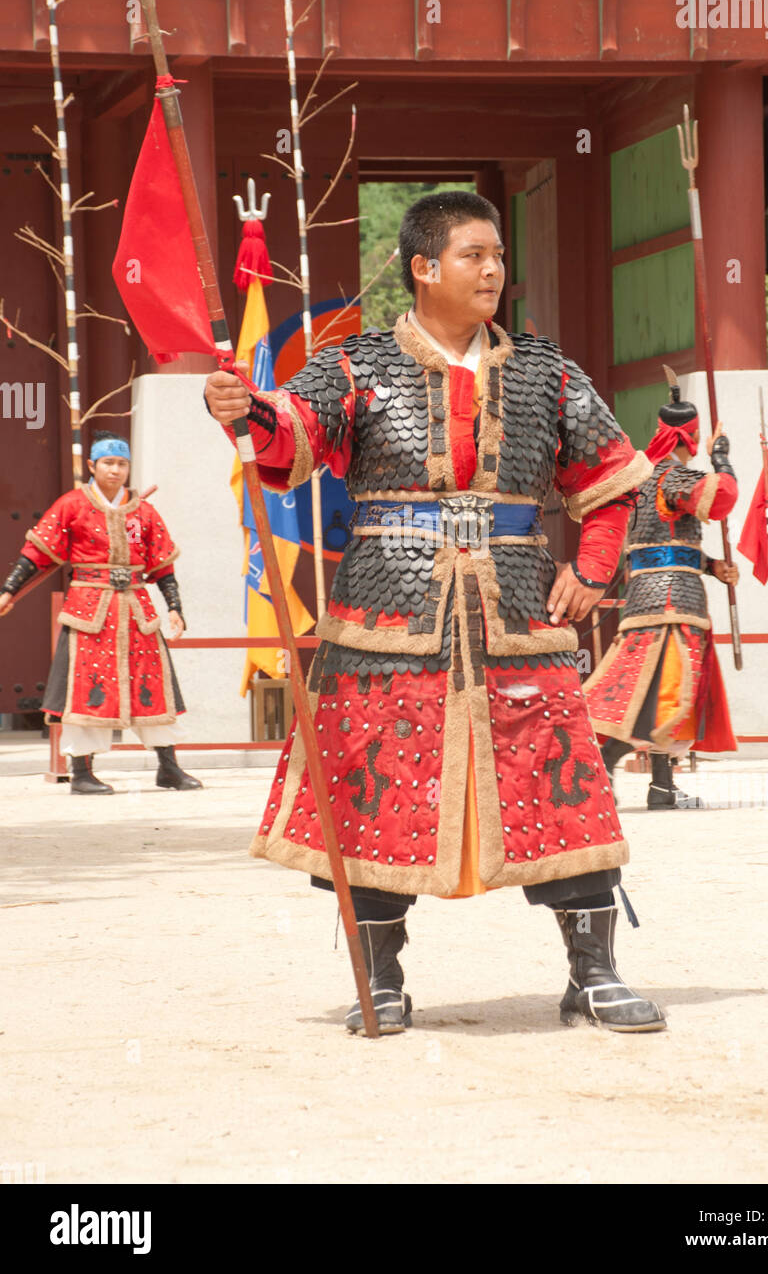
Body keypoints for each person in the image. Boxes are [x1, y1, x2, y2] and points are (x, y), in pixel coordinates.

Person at [205, 190, 665, 1035]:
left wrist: (595, 572)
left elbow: (616, 484)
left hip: (517, 613)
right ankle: (378, 979)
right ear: (423, 267)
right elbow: (294, 434)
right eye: (473, 255)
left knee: (561, 786)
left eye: (497, 256)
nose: (492, 270)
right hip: (387, 615)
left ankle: (593, 975)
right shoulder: (357, 366)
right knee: (375, 797)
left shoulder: (547, 373)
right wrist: (250, 410)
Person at [0, 432, 202, 795]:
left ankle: (168, 767)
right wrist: (8, 590)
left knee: (153, 686)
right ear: (92, 466)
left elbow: (163, 567)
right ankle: (81, 772)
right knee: (86, 690)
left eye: (122, 464)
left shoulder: (144, 511)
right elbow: (37, 552)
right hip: (89, 611)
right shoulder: (72, 505)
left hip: (138, 612)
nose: (116, 470)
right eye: (108, 463)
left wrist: (175, 609)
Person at [583, 380, 739, 809]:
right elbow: (721, 498)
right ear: (690, 438)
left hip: (648, 598)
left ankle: (662, 787)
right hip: (673, 603)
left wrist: (710, 566)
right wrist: (722, 457)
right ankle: (607, 757)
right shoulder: (673, 475)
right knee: (664, 693)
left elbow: (661, 543)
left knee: (651, 687)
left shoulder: (639, 480)